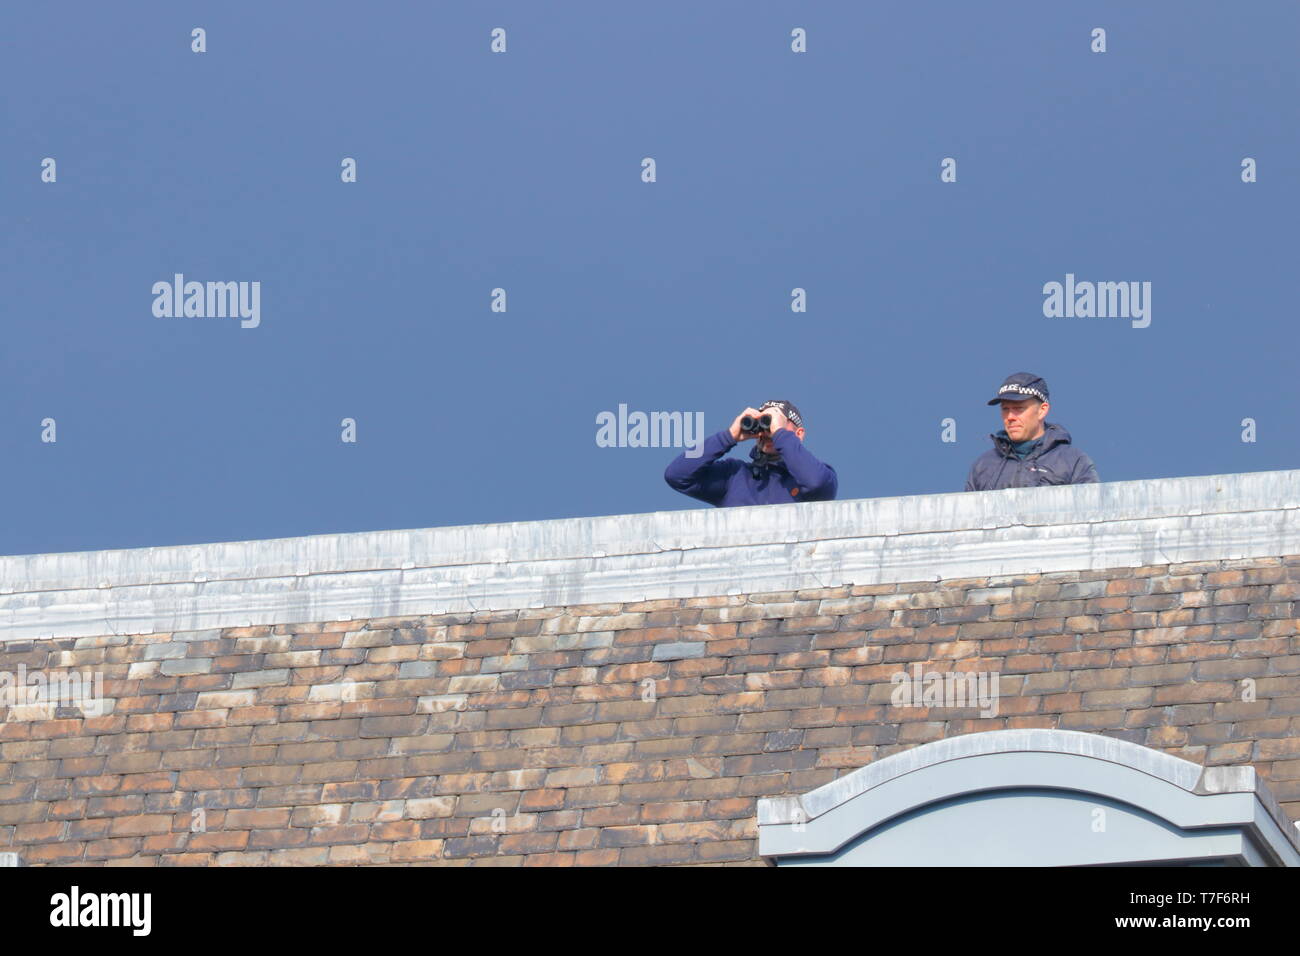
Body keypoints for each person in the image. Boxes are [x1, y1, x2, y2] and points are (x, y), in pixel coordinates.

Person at [664, 400, 837, 506]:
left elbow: (817, 483)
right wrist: (728, 436)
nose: (767, 431)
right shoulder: (734, 476)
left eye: (774, 424)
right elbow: (677, 475)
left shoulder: (813, 475)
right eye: (765, 424)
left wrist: (779, 433)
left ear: (798, 434)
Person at [965, 373, 1098, 490]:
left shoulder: (1073, 461)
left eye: (1019, 408)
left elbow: (1091, 512)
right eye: (1005, 409)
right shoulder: (983, 465)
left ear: (1042, 410)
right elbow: (968, 516)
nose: (1010, 417)